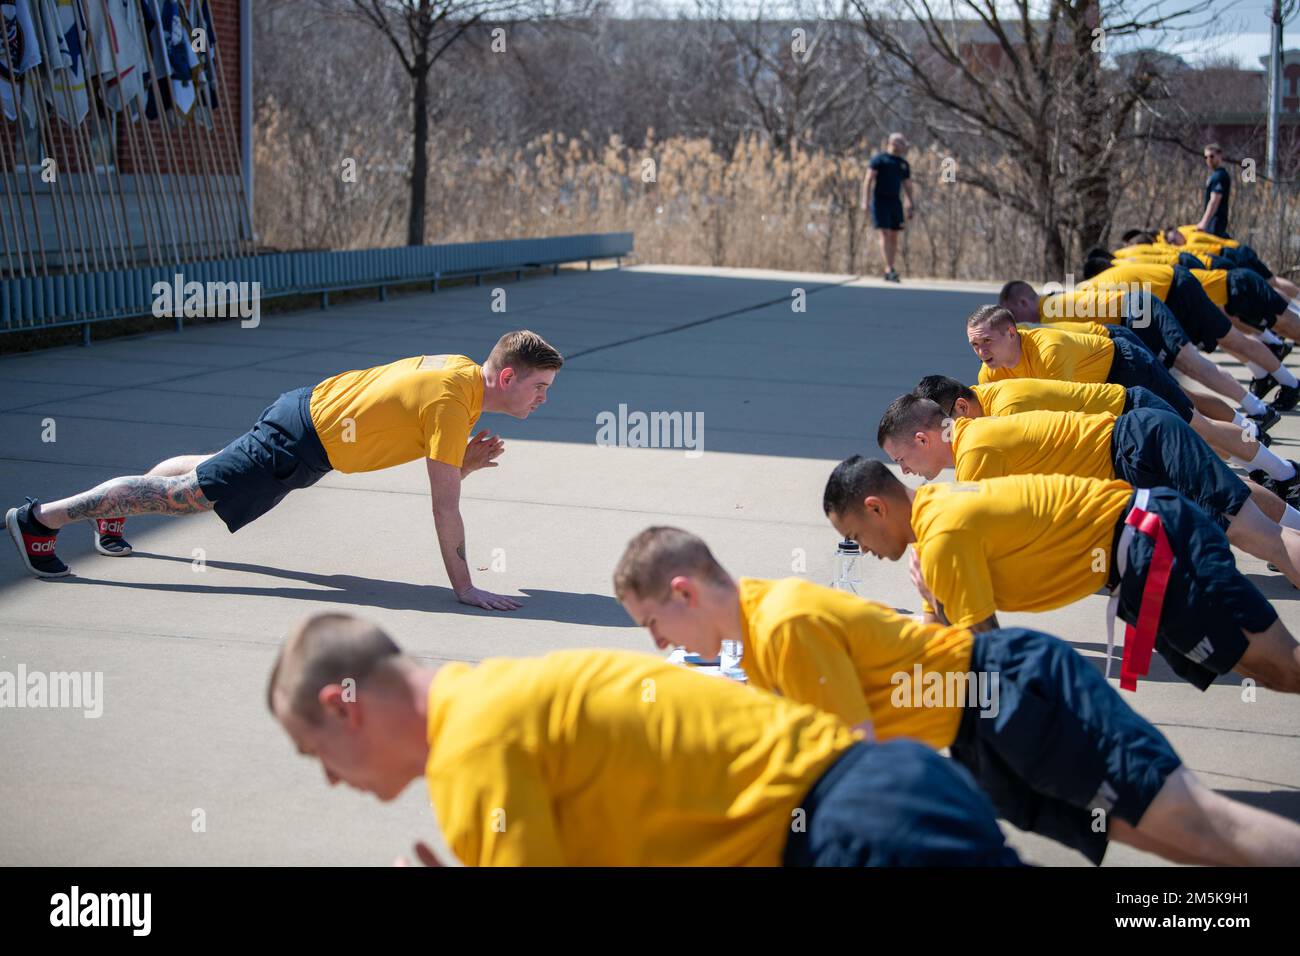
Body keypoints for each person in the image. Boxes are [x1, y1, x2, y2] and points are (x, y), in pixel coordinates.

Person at [613, 526, 1300, 866]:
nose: (658, 645)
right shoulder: (752, 626)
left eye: (652, 626)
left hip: (1011, 690)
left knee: (1197, 822)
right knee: (1150, 833)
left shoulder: (783, 624)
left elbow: (860, 764)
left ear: (682, 593)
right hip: (978, 730)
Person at [267, 611, 1020, 866]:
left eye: (314, 753)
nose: (331, 779)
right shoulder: (493, 695)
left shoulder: (469, 755)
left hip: (855, 837)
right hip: (889, 798)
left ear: (345, 706)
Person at [5, 330, 561, 611]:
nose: (542, 399)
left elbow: (432, 467)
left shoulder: (460, 377)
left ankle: (110, 520)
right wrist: (464, 587)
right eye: (539, 387)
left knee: (201, 472)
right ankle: (40, 520)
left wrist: (460, 463)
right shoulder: (452, 403)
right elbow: (443, 504)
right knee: (186, 495)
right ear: (508, 377)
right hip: (300, 442)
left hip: (303, 416)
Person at [821, 461, 1300, 695]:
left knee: (1279, 664)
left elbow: (990, 657)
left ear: (876, 508)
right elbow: (937, 640)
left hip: (1156, 545)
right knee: (1258, 667)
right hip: (1143, 553)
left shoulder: (942, 535)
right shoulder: (933, 525)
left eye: (854, 535)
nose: (859, 548)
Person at [875, 396, 1300, 586]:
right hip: (1139, 449)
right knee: (1246, 525)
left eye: (901, 458)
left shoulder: (976, 454)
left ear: (923, 438)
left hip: (1139, 449)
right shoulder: (975, 437)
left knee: (1258, 537)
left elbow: (989, 541)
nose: (904, 470)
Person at [911, 375, 1300, 510]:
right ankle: (1283, 492)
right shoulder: (985, 401)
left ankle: (1285, 475)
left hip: (1129, 418)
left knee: (1209, 442)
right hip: (1121, 435)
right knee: (1213, 471)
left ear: (961, 406)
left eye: (945, 423)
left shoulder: (1003, 412)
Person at [997, 279, 1284, 426]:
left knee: (1190, 367)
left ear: (1024, 301)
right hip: (1131, 321)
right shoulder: (1052, 305)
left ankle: (1256, 414)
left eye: (1014, 314)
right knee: (1181, 389)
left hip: (1136, 314)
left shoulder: (1048, 313)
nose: (1016, 323)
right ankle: (1250, 419)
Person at [1080, 260, 1300, 405]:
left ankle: (1288, 386)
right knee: (1225, 344)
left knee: (1229, 342)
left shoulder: (1084, 294)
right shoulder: (1095, 285)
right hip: (1171, 294)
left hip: (1178, 290)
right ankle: (1267, 383)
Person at [966, 305, 1200, 424]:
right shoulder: (989, 375)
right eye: (974, 344)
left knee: (1189, 420)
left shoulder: (1047, 352)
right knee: (1182, 414)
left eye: (987, 341)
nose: (981, 351)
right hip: (1093, 386)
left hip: (1121, 363)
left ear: (1010, 333)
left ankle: (1236, 430)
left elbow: (1065, 413)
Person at [860, 133, 916, 283]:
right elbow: (868, 180)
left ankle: (890, 267)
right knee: (884, 233)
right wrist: (865, 201)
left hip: (895, 202)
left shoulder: (903, 164)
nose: (902, 145)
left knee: (894, 234)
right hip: (880, 201)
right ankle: (889, 268)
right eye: (900, 142)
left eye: (903, 143)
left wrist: (910, 203)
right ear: (891, 142)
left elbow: (907, 185)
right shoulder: (879, 159)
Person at [1196, 143, 1232, 238]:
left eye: (1211, 156)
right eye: (1206, 157)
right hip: (1212, 222)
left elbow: (1214, 200)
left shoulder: (1219, 176)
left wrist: (1204, 222)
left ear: (1219, 156)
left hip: (1215, 222)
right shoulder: (1215, 175)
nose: (1208, 160)